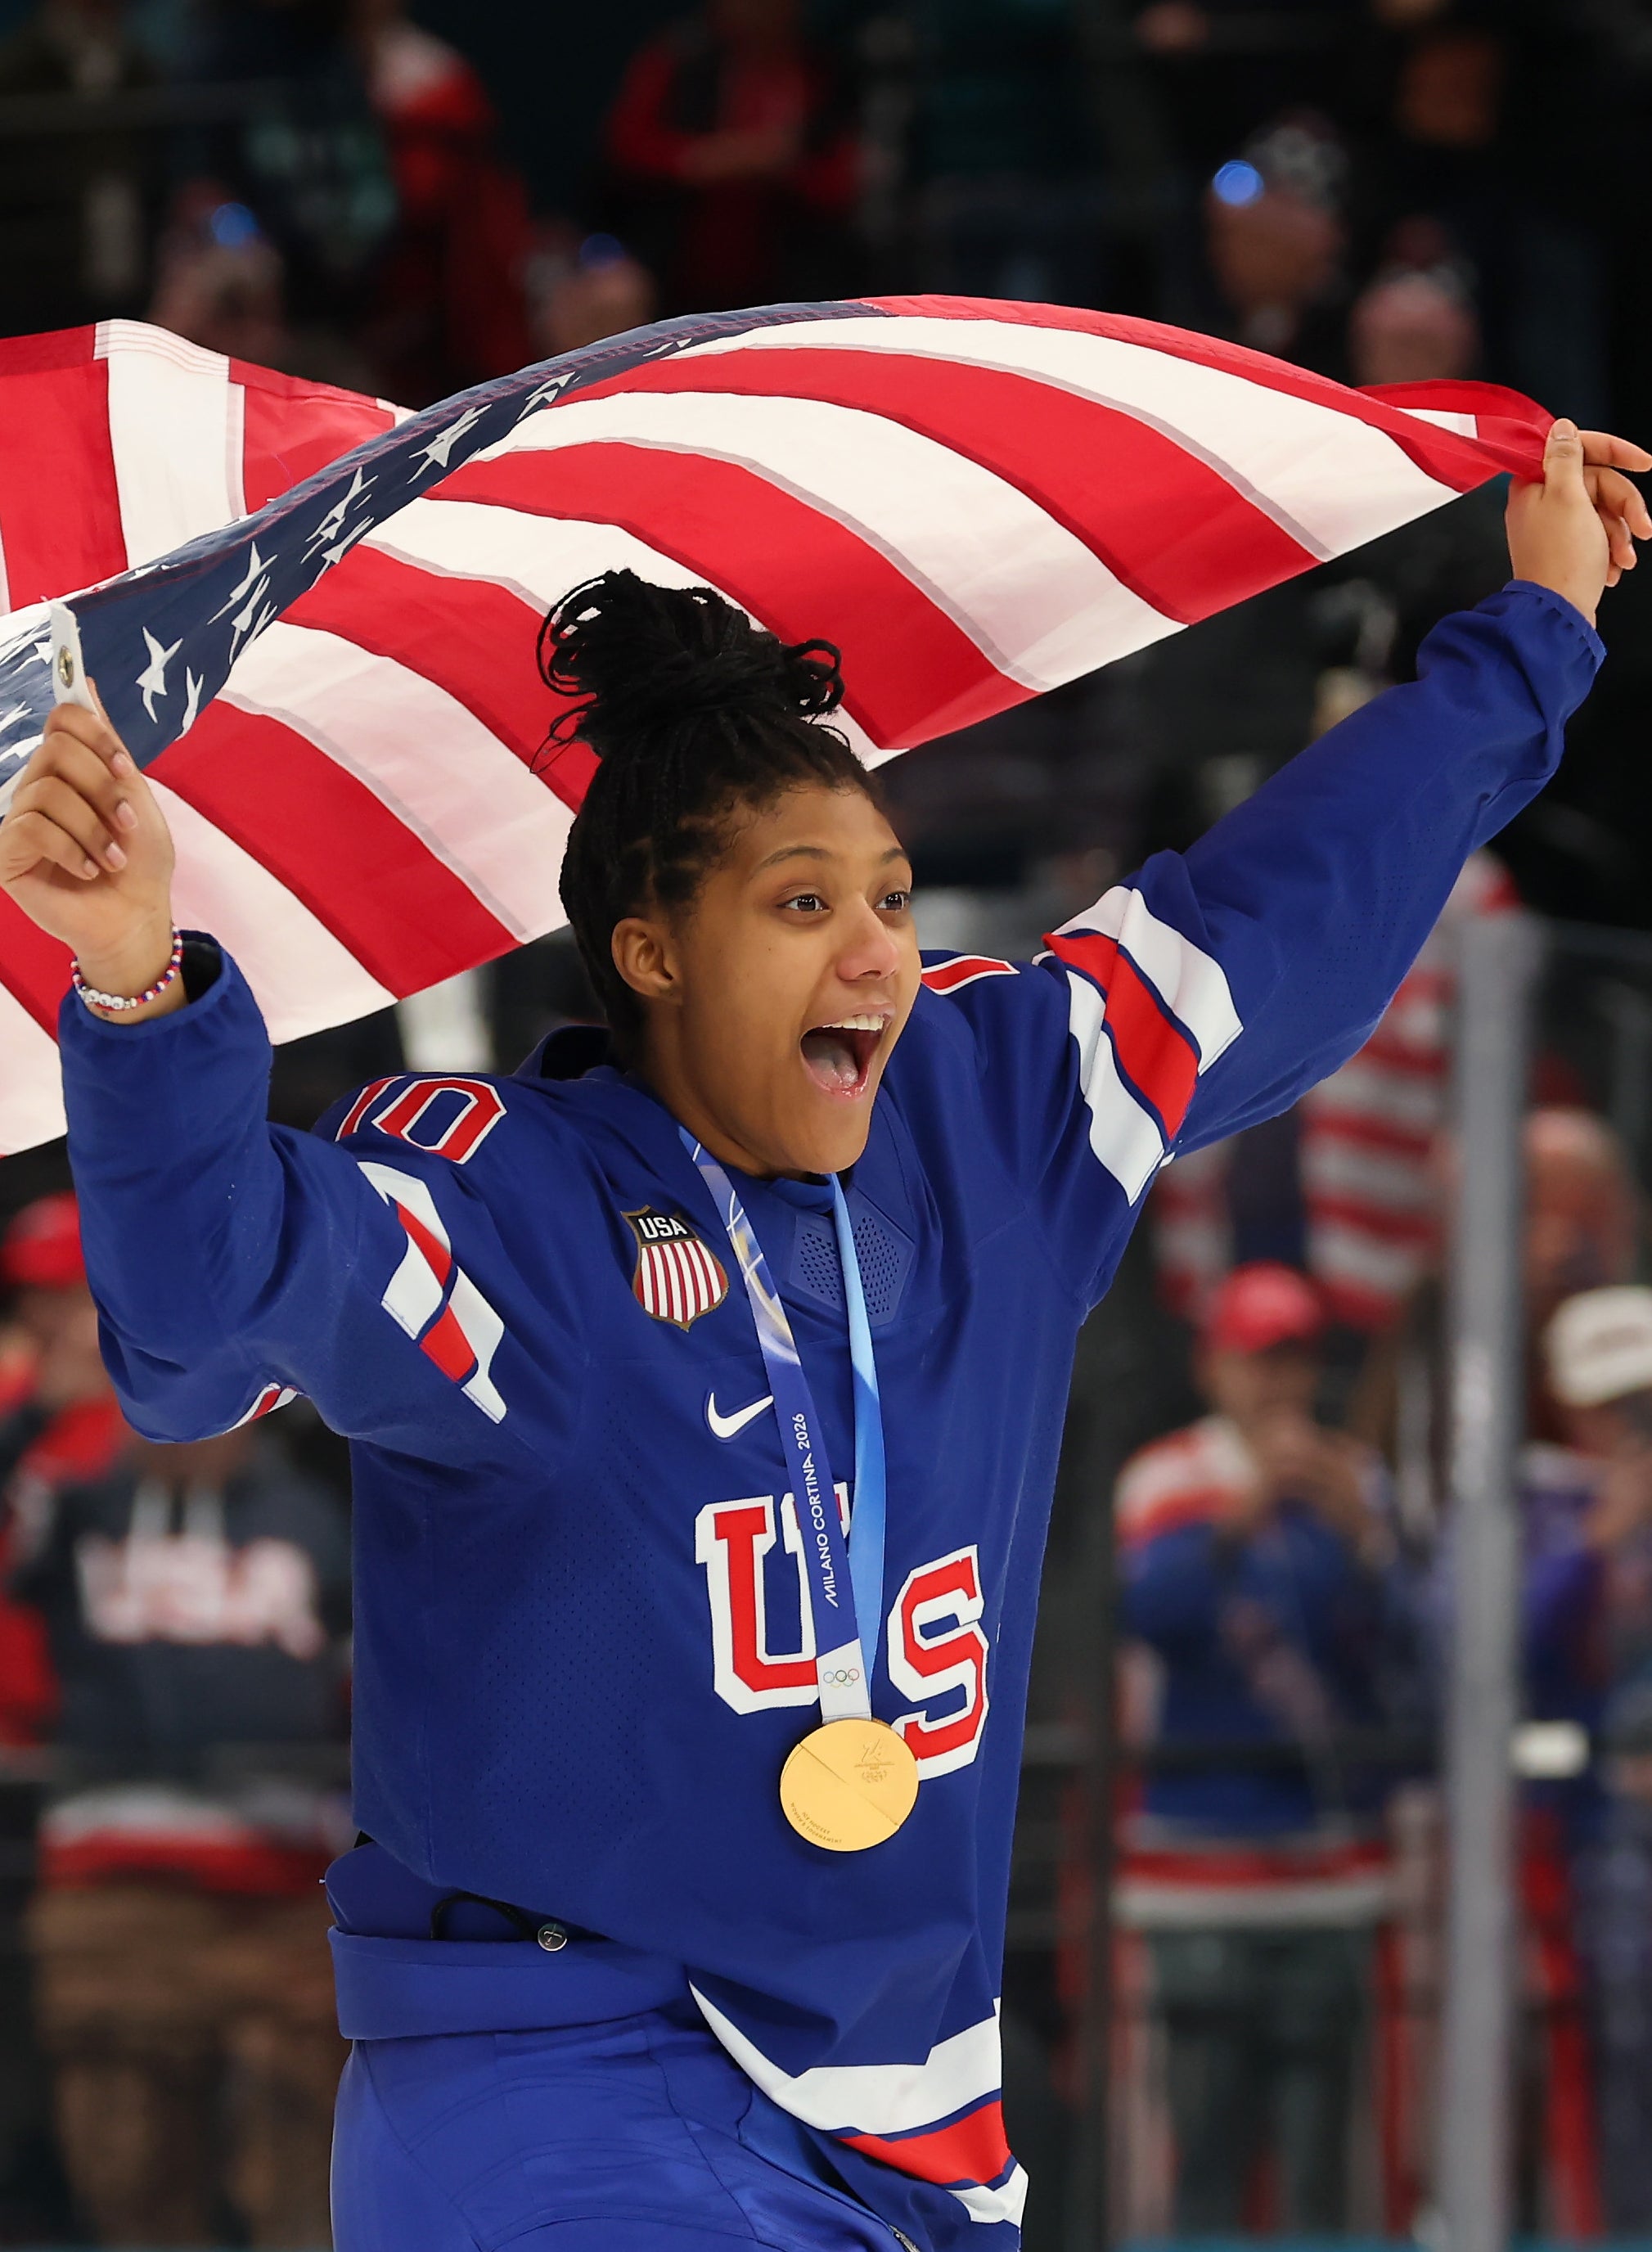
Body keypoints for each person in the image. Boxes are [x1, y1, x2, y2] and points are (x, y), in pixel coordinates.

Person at [0, 417, 1641, 2250]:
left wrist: (1531, 633)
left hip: (906, 2107)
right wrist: (143, 991)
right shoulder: (503, 1208)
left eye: (881, 896)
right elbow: (200, 1326)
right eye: (799, 905)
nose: (872, 951)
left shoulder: (993, 1103)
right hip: (560, 2081)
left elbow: (1283, 904)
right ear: (649, 951)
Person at [11, 1424, 351, 2249]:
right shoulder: (67, 1498)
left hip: (287, 1897)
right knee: (127, 2177)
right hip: (111, 1890)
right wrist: (38, 1425)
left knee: (308, 2176)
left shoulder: (315, 1511)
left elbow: (369, 1670)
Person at [1114, 1262, 1402, 2233]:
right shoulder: (1168, 1478)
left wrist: (1367, 1542)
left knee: (1321, 2159)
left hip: (1328, 1867)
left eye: (1294, 1362)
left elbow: (1399, 1658)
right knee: (1204, 2146)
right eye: (1257, 1362)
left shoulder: (1354, 1479)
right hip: (1198, 1864)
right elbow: (1154, 1616)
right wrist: (1241, 1520)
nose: (1278, 1385)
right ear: (1214, 1367)